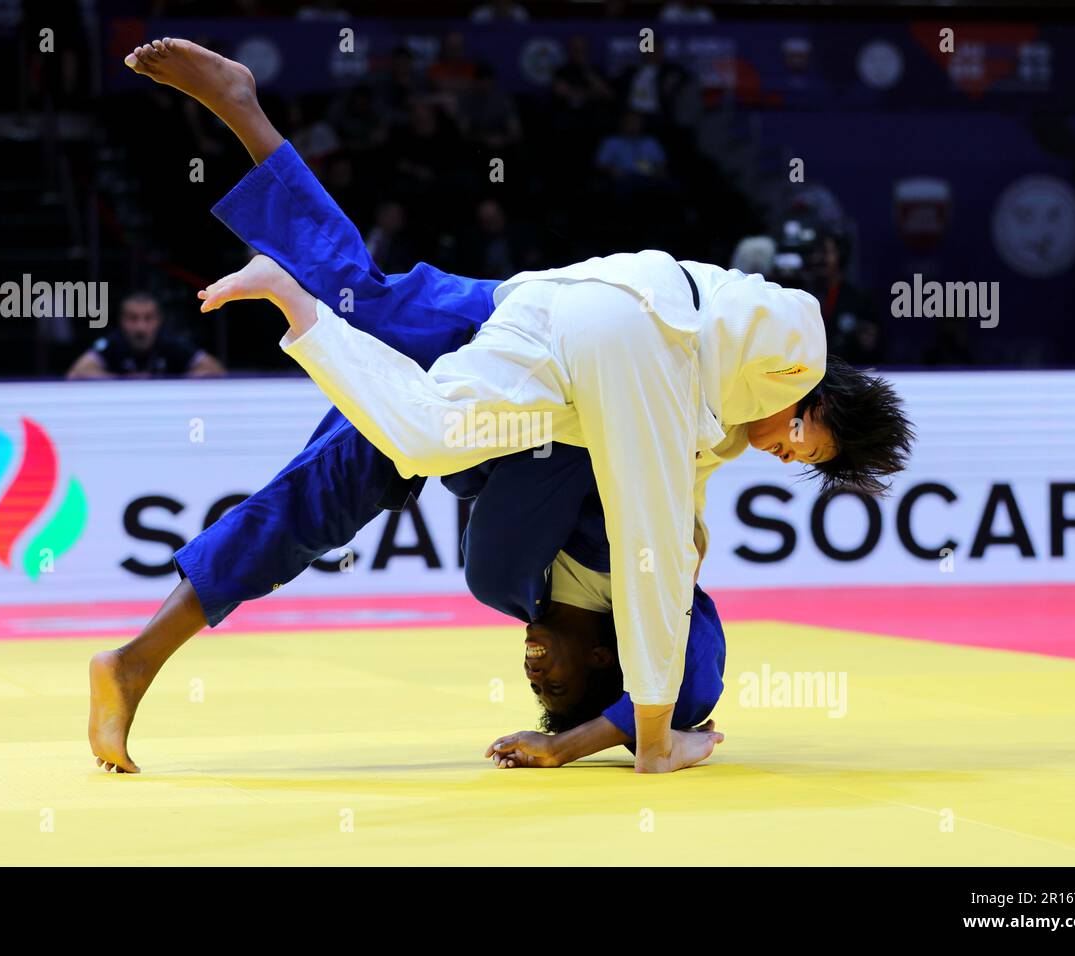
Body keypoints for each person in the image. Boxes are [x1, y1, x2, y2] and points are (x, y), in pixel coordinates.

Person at [121, 37, 912, 775]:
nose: (784, 451)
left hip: (535, 320)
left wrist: (576, 738)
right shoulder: (799, 347)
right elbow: (667, 518)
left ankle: (249, 124)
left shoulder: (699, 452)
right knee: (647, 535)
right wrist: (648, 733)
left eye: (796, 460)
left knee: (373, 326)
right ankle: (653, 744)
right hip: (624, 330)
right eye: (802, 441)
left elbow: (689, 477)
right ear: (819, 397)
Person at [66, 291, 225, 379]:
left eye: (148, 318)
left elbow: (215, 370)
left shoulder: (170, 343)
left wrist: (169, 383)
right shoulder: (113, 343)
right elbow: (76, 373)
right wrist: (122, 383)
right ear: (122, 320)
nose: (141, 327)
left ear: (159, 320)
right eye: (133, 318)